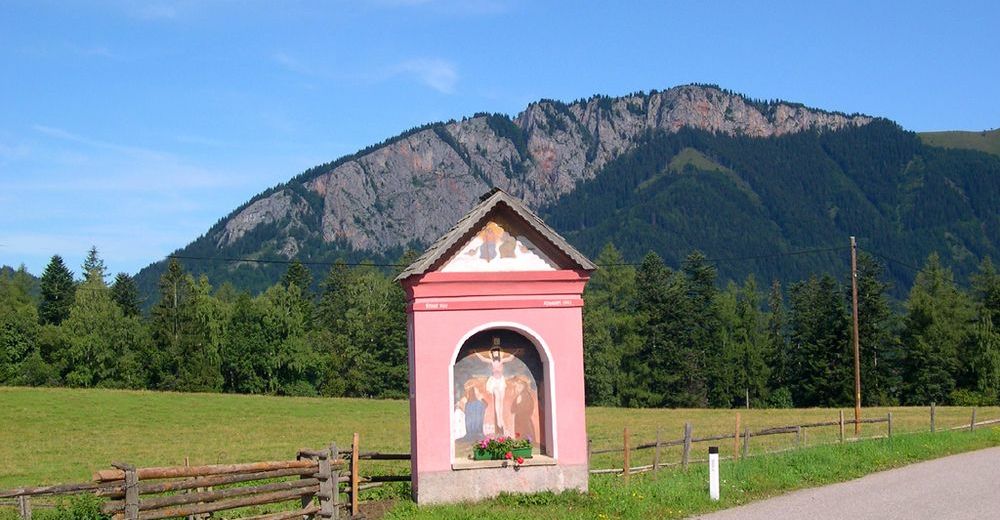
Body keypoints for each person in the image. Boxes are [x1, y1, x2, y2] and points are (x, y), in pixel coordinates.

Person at [475, 345, 515, 436]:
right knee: (497, 398)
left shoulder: (502, 361)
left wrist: (515, 352)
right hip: (494, 382)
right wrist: (476, 353)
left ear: (499, 354)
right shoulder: (492, 361)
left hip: (501, 381)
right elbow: (483, 359)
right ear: (492, 354)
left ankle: (501, 419)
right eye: (494, 352)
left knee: (501, 400)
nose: (496, 353)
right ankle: (499, 420)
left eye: (497, 352)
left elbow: (510, 358)